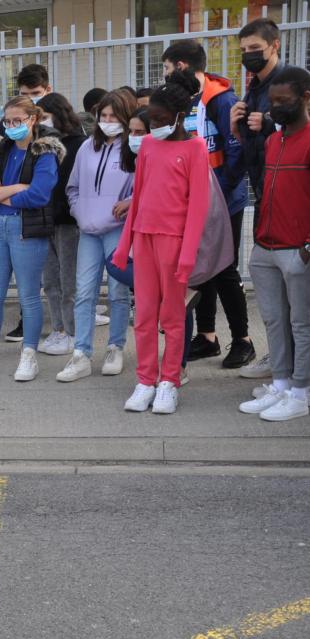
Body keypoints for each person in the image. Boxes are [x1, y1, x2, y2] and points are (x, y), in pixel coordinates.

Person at [112, 70, 210, 415]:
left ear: (179, 116)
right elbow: (138, 198)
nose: (153, 126)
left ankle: (169, 381)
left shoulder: (195, 147)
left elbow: (198, 206)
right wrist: (125, 245)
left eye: (160, 119)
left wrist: (187, 255)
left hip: (174, 242)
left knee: (172, 317)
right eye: (151, 119)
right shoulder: (150, 146)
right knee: (144, 316)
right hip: (144, 238)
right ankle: (145, 379)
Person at [0, 96, 63, 382]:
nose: (12, 126)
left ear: (33, 119)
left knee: (29, 296)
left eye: (18, 120)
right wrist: (14, 188)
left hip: (27, 231)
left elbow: (39, 195)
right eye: (8, 121)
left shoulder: (45, 151)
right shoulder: (0, 148)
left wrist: (0, 192)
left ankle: (29, 356)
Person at [163, 40, 254, 369]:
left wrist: (214, 196)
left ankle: (243, 340)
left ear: (182, 66)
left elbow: (236, 155)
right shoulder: (184, 100)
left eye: (167, 67)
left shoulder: (221, 100)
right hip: (193, 202)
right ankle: (207, 336)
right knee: (200, 267)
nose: (165, 74)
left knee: (224, 269)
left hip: (222, 201)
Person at [238, 66, 310, 422]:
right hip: (265, 246)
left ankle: (301, 391)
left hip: (298, 249)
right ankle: (281, 384)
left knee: (302, 324)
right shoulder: (274, 140)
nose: (277, 107)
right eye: (273, 101)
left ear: (306, 98)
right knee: (274, 321)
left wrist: (308, 245)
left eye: (285, 101)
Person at [58, 90, 137, 382]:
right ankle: (81, 354)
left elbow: (143, 189)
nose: (106, 122)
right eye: (103, 116)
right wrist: (80, 212)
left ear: (125, 118)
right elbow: (73, 188)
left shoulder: (134, 149)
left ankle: (115, 347)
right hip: (88, 231)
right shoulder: (86, 148)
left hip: (118, 230)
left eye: (113, 117)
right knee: (84, 292)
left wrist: (129, 204)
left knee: (118, 293)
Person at [232, 17, 288, 381]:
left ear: (275, 46)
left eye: (255, 49)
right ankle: (279, 357)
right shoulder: (254, 86)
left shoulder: (288, 83)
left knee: (291, 289)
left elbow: (299, 131)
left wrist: (270, 123)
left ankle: (291, 368)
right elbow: (251, 147)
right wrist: (239, 129)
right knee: (269, 284)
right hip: (262, 190)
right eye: (244, 51)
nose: (249, 57)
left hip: (288, 196)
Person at [3, 63, 53, 342]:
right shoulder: (12, 124)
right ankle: (26, 323)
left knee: (58, 278)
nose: (32, 98)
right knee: (28, 278)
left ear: (48, 90)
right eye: (25, 93)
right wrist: (8, 192)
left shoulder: (58, 118)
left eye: (36, 92)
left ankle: (61, 326)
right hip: (24, 213)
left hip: (55, 209)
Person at [37, 93, 88, 357]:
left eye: (44, 115)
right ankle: (59, 329)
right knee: (50, 281)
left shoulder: (80, 143)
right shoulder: (40, 144)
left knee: (70, 282)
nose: (41, 122)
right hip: (44, 220)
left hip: (69, 222)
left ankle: (73, 332)